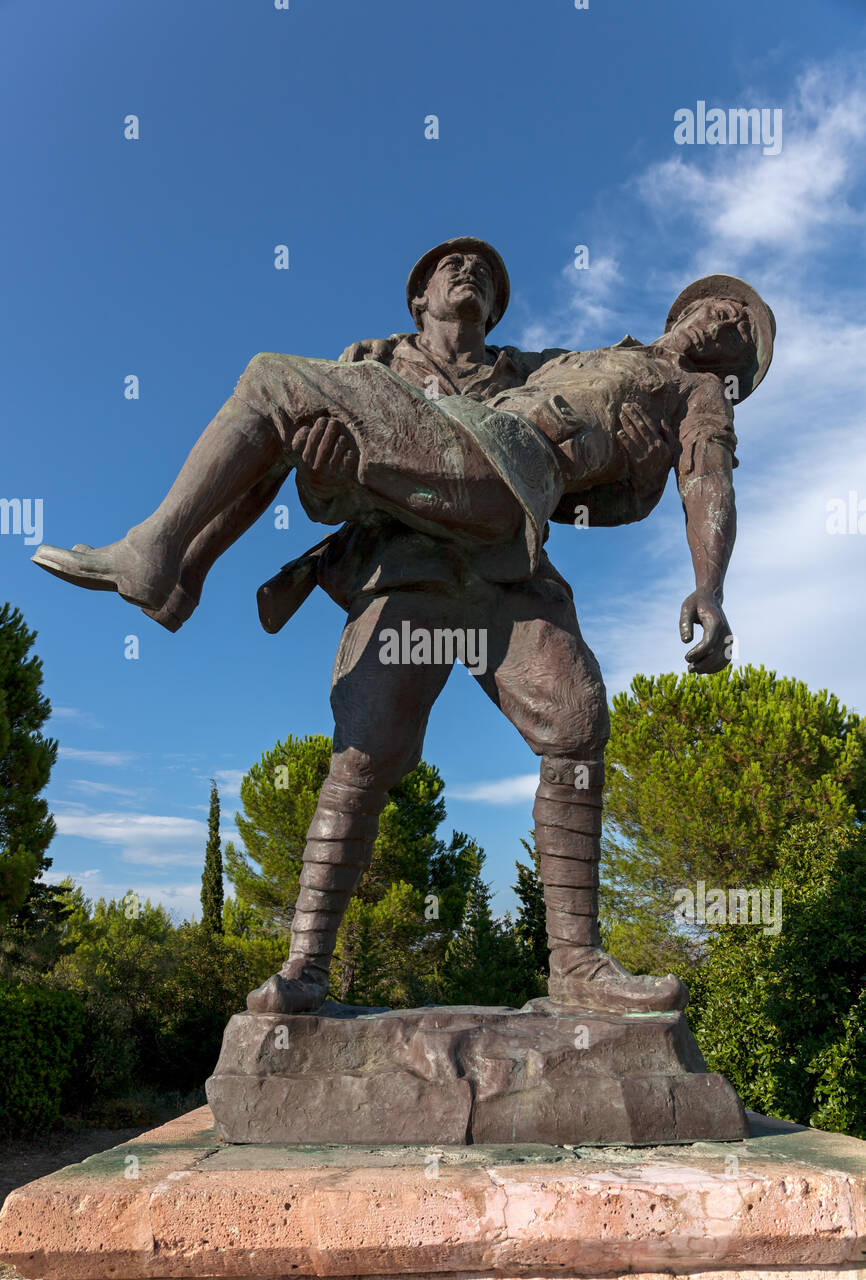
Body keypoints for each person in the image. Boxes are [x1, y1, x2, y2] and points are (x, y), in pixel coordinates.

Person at [32, 239, 774, 1015]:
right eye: (712, 306)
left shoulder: (563, 372)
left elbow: (654, 484)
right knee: (363, 756)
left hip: (500, 566)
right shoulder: (393, 363)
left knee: (577, 723)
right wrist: (324, 474)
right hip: (404, 571)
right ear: (417, 299)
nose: (719, 320)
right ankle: (305, 971)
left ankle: (578, 966)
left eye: (735, 326)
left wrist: (690, 557)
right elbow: (327, 491)